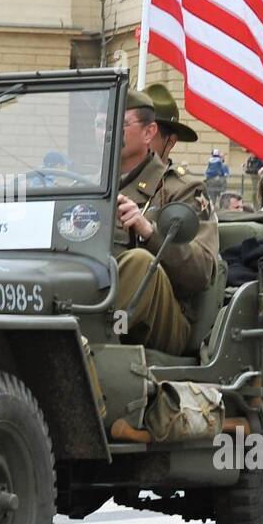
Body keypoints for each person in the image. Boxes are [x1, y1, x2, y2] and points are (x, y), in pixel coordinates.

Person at [106, 90, 219, 441]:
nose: (106, 133)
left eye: (117, 125)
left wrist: (150, 232)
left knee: (139, 261)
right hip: (93, 299)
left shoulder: (181, 188)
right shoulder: (86, 184)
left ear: (148, 132)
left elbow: (203, 270)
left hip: (165, 318)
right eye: (99, 125)